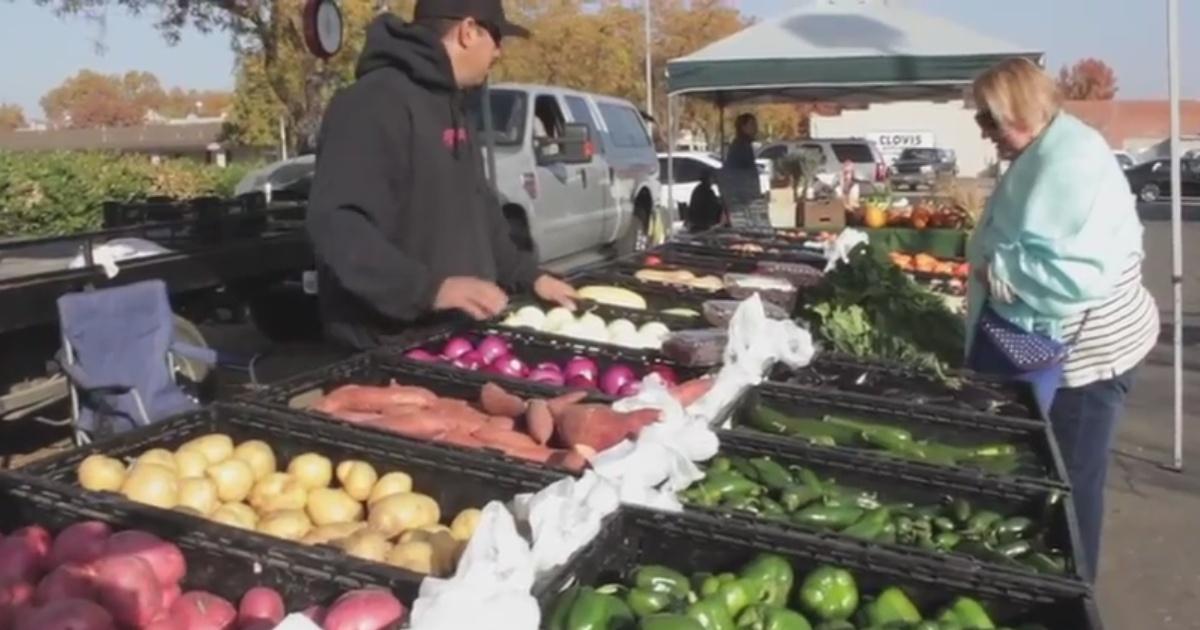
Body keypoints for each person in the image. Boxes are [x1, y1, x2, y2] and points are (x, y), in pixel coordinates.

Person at [964, 57, 1159, 581]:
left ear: (1022, 109)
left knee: (1072, 482)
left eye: (991, 120)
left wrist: (996, 269)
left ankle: (1071, 591)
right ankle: (1055, 577)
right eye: (980, 121)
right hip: (1065, 349)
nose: (986, 134)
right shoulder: (1047, 147)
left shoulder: (1070, 162)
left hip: (1088, 358)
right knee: (1059, 474)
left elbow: (1077, 277)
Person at [305, 0, 576, 350]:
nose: (499, 52)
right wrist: (430, 290)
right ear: (468, 31)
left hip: (456, 339)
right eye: (496, 37)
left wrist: (530, 276)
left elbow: (480, 213)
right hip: (386, 348)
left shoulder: (453, 106)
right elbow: (338, 226)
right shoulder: (372, 103)